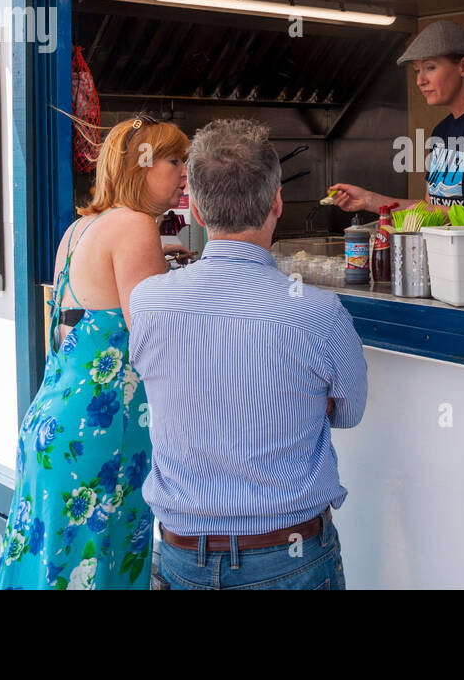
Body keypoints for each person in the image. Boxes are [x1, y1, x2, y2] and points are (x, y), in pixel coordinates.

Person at [130, 118, 367, 590]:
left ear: (194, 209)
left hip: (182, 557)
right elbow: (349, 412)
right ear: (277, 202)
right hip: (291, 559)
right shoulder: (318, 313)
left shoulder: (148, 301)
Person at [0, 115, 189, 590]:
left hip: (54, 423)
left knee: (50, 563)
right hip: (103, 437)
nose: (185, 171)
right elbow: (154, 337)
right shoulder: (136, 226)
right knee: (104, 566)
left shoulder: (81, 228)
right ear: (139, 166)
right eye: (174, 160)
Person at [328, 19, 464, 214]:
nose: (420, 80)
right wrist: (368, 200)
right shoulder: (441, 131)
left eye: (430, 67)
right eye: (416, 70)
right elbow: (431, 209)